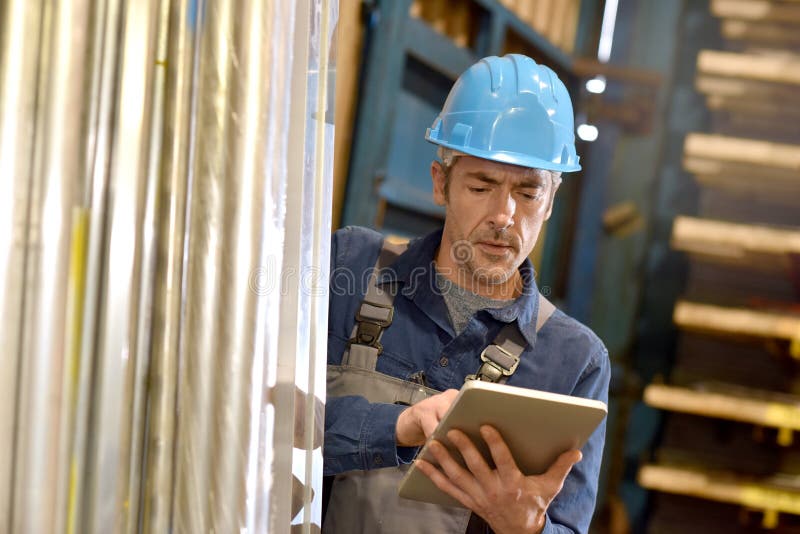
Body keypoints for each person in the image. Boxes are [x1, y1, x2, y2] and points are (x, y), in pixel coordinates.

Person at [322, 54, 610, 534]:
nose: (504, 215)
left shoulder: (575, 360)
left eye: (528, 191)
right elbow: (263, 416)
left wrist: (525, 528)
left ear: (551, 202)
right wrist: (395, 427)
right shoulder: (351, 267)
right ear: (442, 183)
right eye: (482, 185)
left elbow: (567, 526)